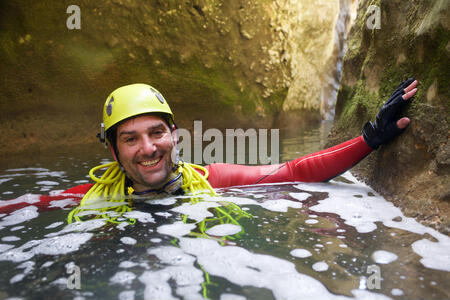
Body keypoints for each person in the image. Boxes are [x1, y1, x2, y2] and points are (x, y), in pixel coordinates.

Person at [0, 78, 418, 217]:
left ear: (175, 136)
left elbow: (293, 171)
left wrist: (369, 138)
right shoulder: (91, 198)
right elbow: (32, 201)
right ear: (113, 152)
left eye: (156, 133)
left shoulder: (212, 180)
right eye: (130, 138)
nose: (148, 148)